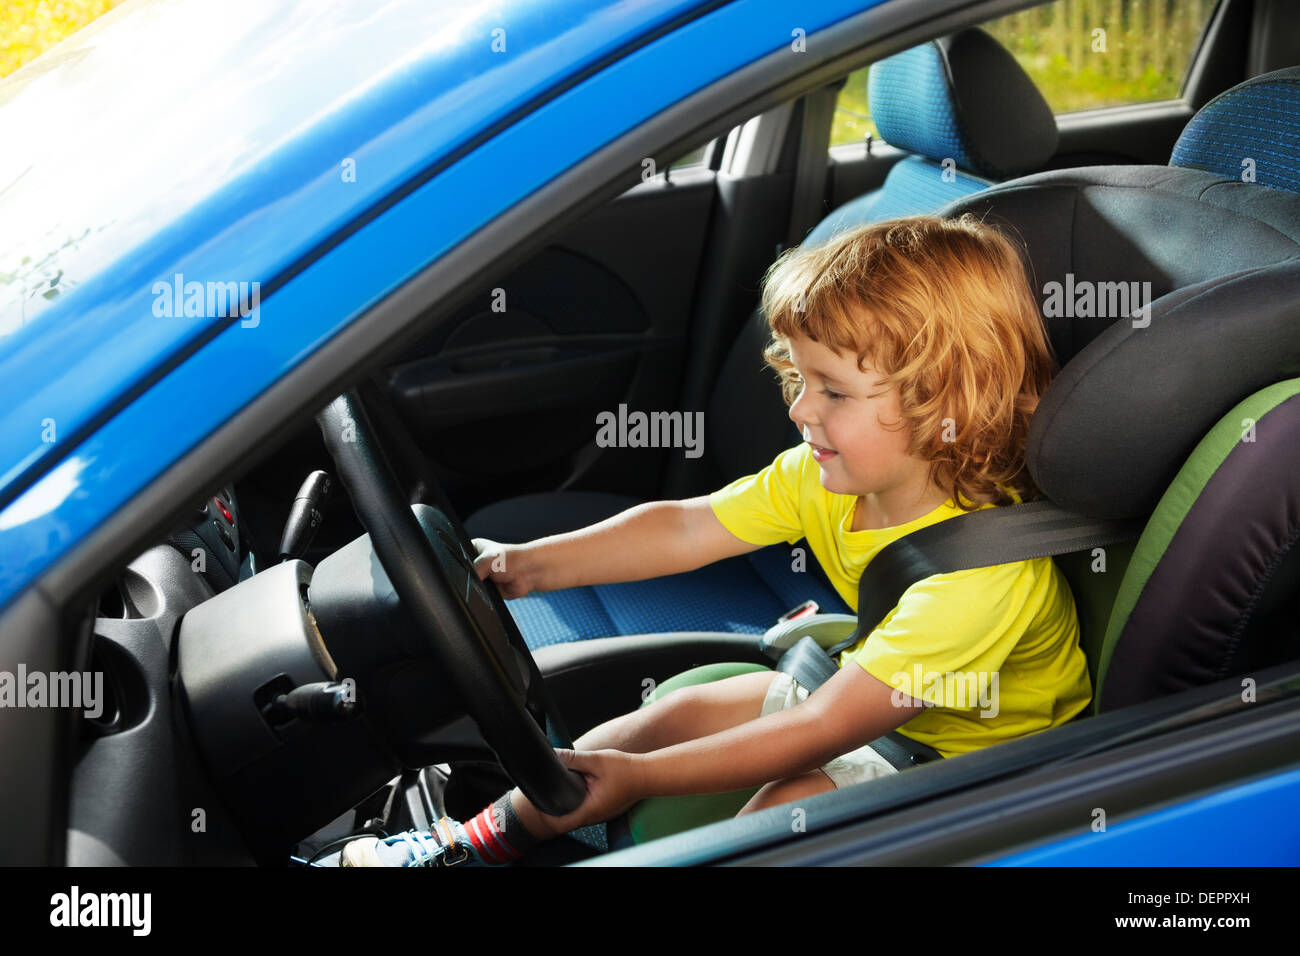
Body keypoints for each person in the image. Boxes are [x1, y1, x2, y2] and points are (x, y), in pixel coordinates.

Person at [340, 214, 1091, 867]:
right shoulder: (824, 477)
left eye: (831, 389)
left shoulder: (983, 580)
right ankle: (472, 841)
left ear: (944, 399)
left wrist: (639, 783)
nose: (800, 410)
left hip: (964, 760)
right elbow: (688, 526)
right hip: (872, 684)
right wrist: (530, 566)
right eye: (798, 379)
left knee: (781, 807)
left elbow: (822, 729)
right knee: (656, 723)